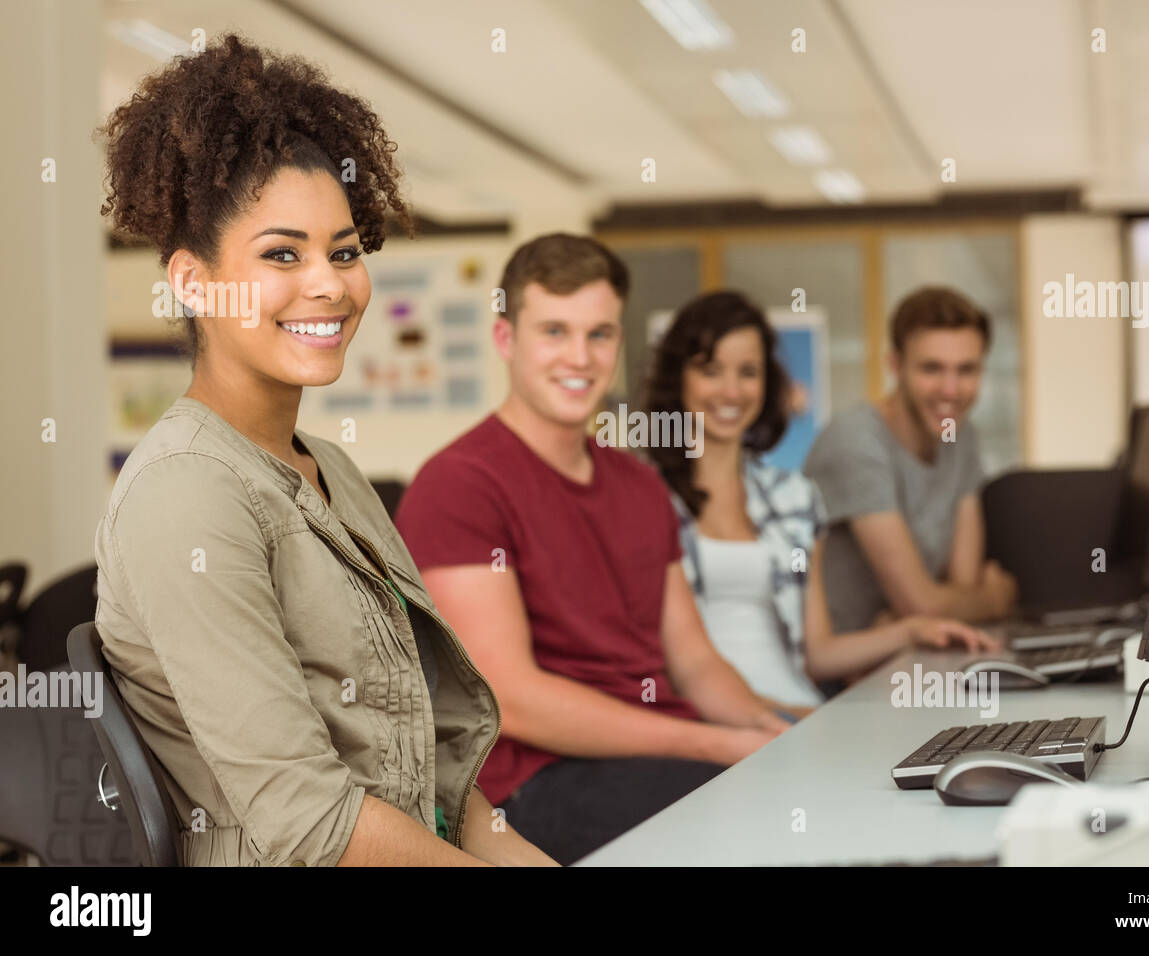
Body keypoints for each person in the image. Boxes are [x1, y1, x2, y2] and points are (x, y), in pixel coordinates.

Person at [92, 34, 553, 866]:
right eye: (281, 255)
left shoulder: (331, 471)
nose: (329, 284)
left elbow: (446, 778)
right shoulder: (186, 493)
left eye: (344, 252)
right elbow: (313, 826)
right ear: (192, 281)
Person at [395, 234, 792, 865]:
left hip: (657, 758)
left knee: (803, 783)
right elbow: (511, 698)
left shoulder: (637, 484)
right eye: (554, 331)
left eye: (599, 334)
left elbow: (692, 660)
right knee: (768, 821)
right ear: (506, 340)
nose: (579, 357)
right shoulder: (458, 484)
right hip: (535, 786)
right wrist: (714, 746)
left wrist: (768, 729)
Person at [644, 291, 997, 710]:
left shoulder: (792, 498)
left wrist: (912, 630)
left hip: (802, 707)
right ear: (678, 378)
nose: (731, 390)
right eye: (711, 370)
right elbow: (672, 668)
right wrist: (787, 718)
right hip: (730, 719)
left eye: (748, 372)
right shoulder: (645, 497)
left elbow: (817, 653)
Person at [804, 287, 1018, 635]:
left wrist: (943, 606)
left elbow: (960, 581)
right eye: (931, 369)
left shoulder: (960, 436)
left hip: (915, 652)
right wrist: (994, 599)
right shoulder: (856, 441)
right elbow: (920, 605)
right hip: (844, 676)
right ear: (896, 365)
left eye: (967, 370)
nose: (951, 390)